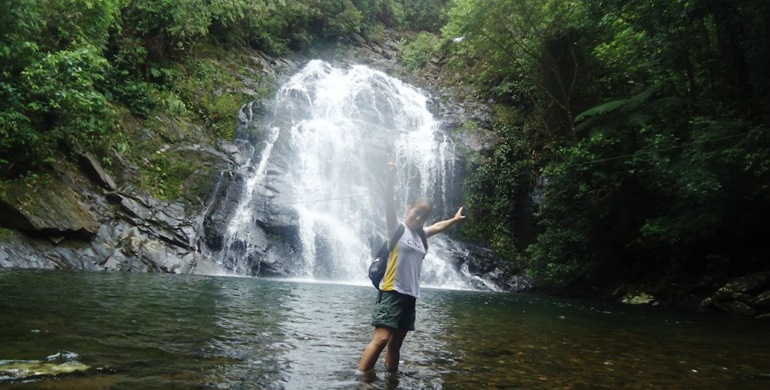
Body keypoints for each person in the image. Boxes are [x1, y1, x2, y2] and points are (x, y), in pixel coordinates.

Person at [356, 159, 466, 381]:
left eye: (423, 216)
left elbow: (437, 226)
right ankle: (359, 378)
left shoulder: (421, 235)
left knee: (396, 344)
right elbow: (388, 200)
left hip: (410, 296)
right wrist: (391, 176)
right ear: (409, 208)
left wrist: (454, 220)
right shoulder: (396, 228)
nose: (419, 218)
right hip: (392, 291)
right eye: (417, 212)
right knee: (381, 339)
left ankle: (391, 378)